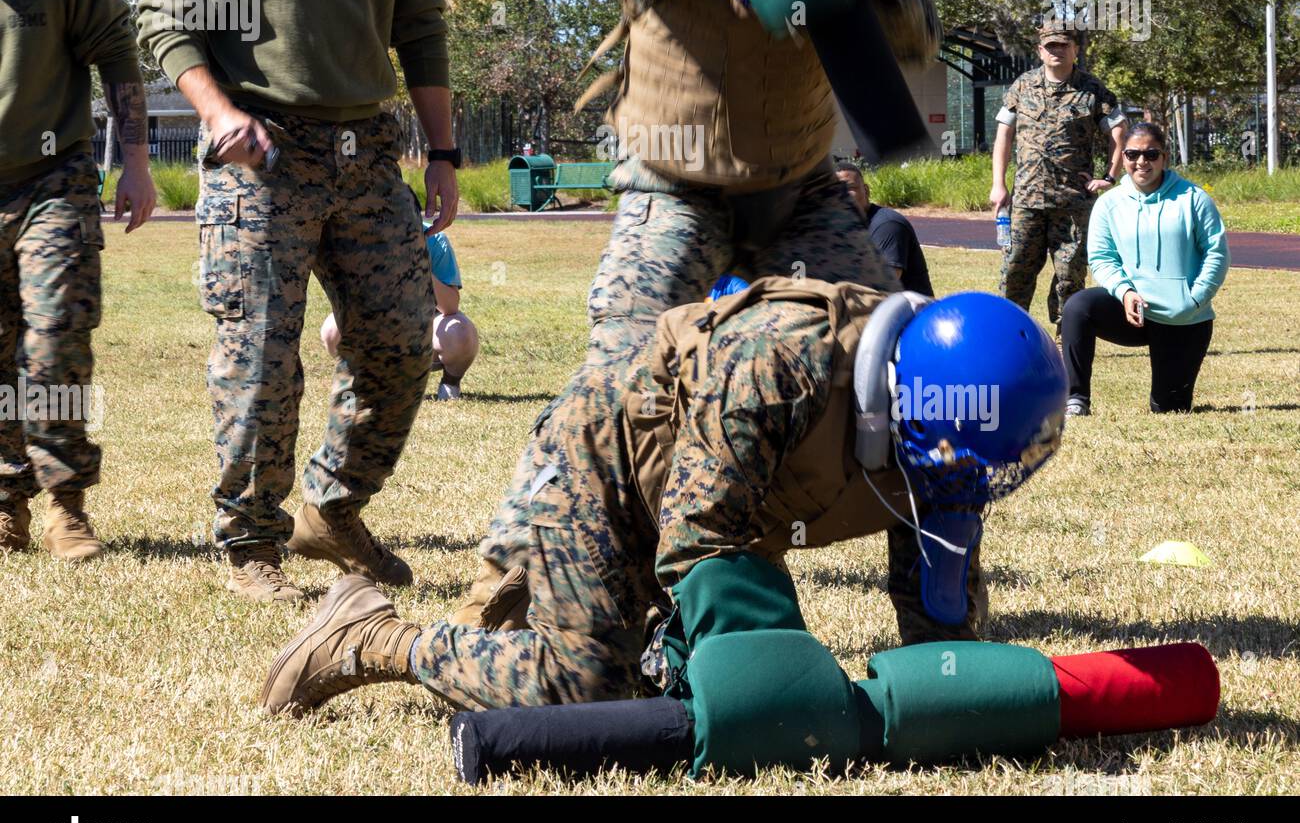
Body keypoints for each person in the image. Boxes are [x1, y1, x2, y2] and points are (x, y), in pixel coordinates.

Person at [450, 0, 944, 636]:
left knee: (904, 372)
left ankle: (937, 620)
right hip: (674, 186)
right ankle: (504, 587)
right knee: (614, 382)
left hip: (800, 190)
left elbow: (917, 33)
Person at [259, 280, 1066, 715]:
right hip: (608, 460)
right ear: (906, 404)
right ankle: (371, 634)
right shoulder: (778, 367)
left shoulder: (951, 432)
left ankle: (518, 601)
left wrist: (958, 697)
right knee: (581, 690)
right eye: (961, 465)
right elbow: (702, 543)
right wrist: (783, 692)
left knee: (610, 659)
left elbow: (938, 617)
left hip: (700, 486)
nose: (970, 485)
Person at [137, 0, 459, 602]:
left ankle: (334, 505)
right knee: (262, 353)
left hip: (366, 156)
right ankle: (249, 542)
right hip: (262, 157)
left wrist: (444, 153)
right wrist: (219, 112)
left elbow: (422, 30)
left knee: (402, 341)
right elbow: (167, 20)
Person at [0, 0, 157, 558]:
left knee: (57, 331)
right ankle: (6, 501)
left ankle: (68, 504)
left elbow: (117, 53)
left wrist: (138, 161)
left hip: (51, 177)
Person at [1060, 122, 1228, 417]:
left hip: (1184, 318)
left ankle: (1169, 393)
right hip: (1132, 312)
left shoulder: (1194, 199)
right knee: (1078, 307)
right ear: (1122, 157)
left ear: (1164, 157)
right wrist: (1124, 292)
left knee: (1169, 409)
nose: (1141, 161)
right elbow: (1101, 257)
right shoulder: (1109, 203)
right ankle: (1076, 398)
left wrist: (1194, 300)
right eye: (1132, 154)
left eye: (1151, 154)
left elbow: (1216, 254)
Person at [991, 22, 1127, 325]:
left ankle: (1067, 336)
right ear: (1040, 50)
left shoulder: (1092, 90)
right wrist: (998, 185)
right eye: (1050, 46)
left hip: (1073, 203)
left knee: (1070, 275)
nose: (1057, 51)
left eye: (1063, 46)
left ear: (1075, 50)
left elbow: (1118, 131)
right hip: (1026, 200)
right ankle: (1009, 333)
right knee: (1015, 270)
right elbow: (1004, 135)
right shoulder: (1022, 86)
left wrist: (1109, 176)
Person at [320, 222, 479, 401]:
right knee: (333, 329)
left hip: (426, 330)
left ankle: (450, 383)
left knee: (460, 330)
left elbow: (450, 307)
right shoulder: (361, 239)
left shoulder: (434, 238)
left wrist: (421, 267)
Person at [835, 162, 933, 295]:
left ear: (866, 190)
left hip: (910, 311)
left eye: (850, 188)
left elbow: (883, 284)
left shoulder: (887, 225)